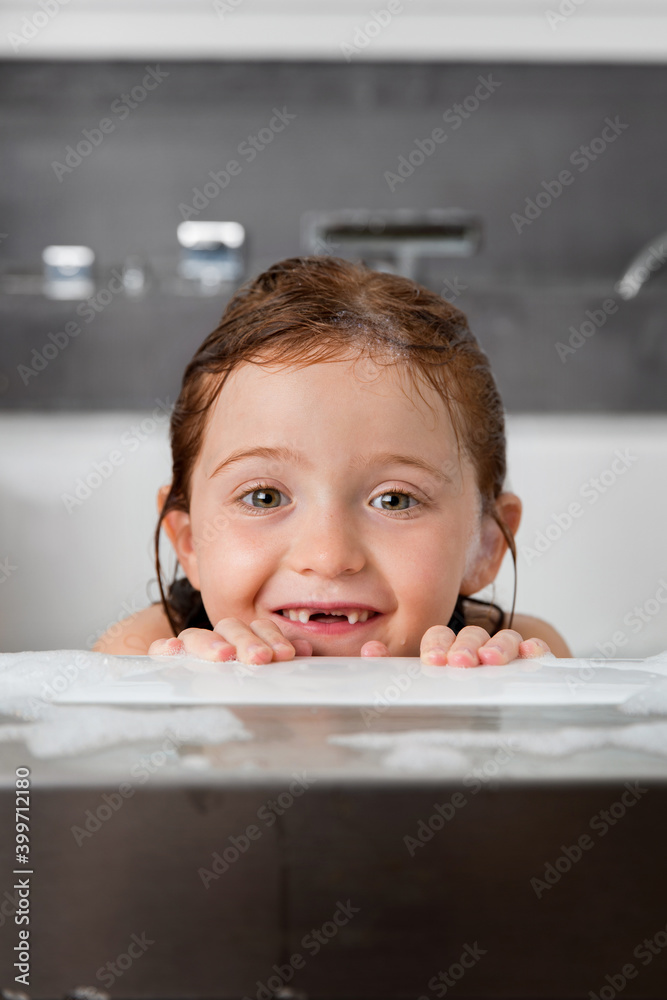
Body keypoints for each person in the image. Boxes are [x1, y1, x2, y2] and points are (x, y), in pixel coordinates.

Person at [94, 255, 571, 666]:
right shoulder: (140, 651)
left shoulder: (518, 654)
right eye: (265, 496)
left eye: (395, 500)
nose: (328, 557)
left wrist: (494, 704)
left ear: (485, 545)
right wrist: (178, 701)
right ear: (190, 542)